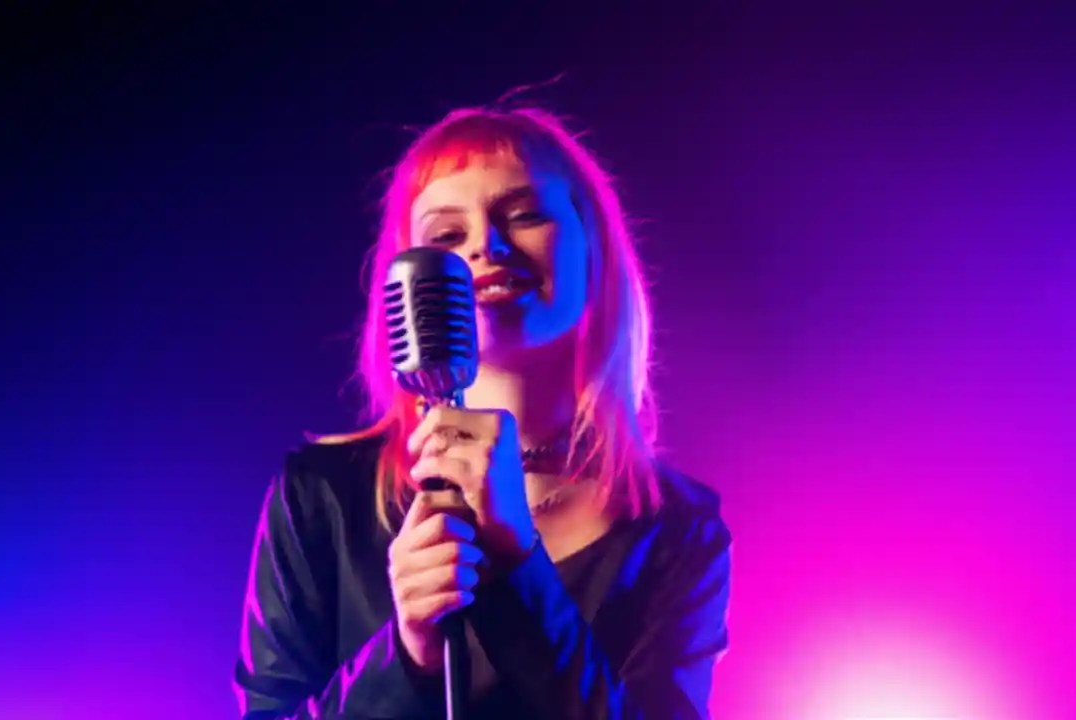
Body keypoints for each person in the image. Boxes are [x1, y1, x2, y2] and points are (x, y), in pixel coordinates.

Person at [233, 104, 732, 719]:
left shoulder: (678, 529)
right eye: (446, 236)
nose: (485, 245)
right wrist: (406, 654)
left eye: (524, 216)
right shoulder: (321, 497)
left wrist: (516, 561)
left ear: (592, 249)